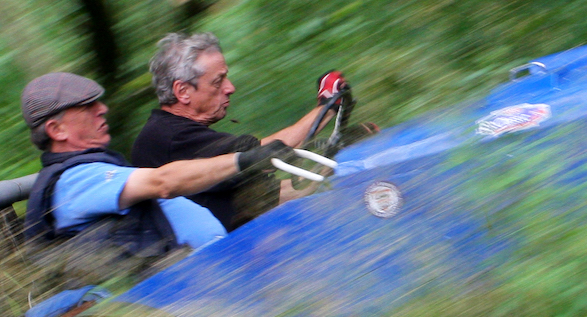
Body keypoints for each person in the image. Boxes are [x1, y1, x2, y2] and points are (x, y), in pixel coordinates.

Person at [20, 70, 291, 266]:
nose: (102, 109)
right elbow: (163, 182)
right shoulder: (74, 180)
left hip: (210, 270)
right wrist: (242, 160)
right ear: (57, 129)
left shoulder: (89, 170)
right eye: (87, 106)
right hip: (181, 293)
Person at [130, 32, 348, 229]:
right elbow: (263, 153)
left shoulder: (175, 136)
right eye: (218, 81)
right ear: (183, 91)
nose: (230, 88)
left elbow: (268, 195)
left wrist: (337, 164)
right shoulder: (169, 137)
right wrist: (328, 105)